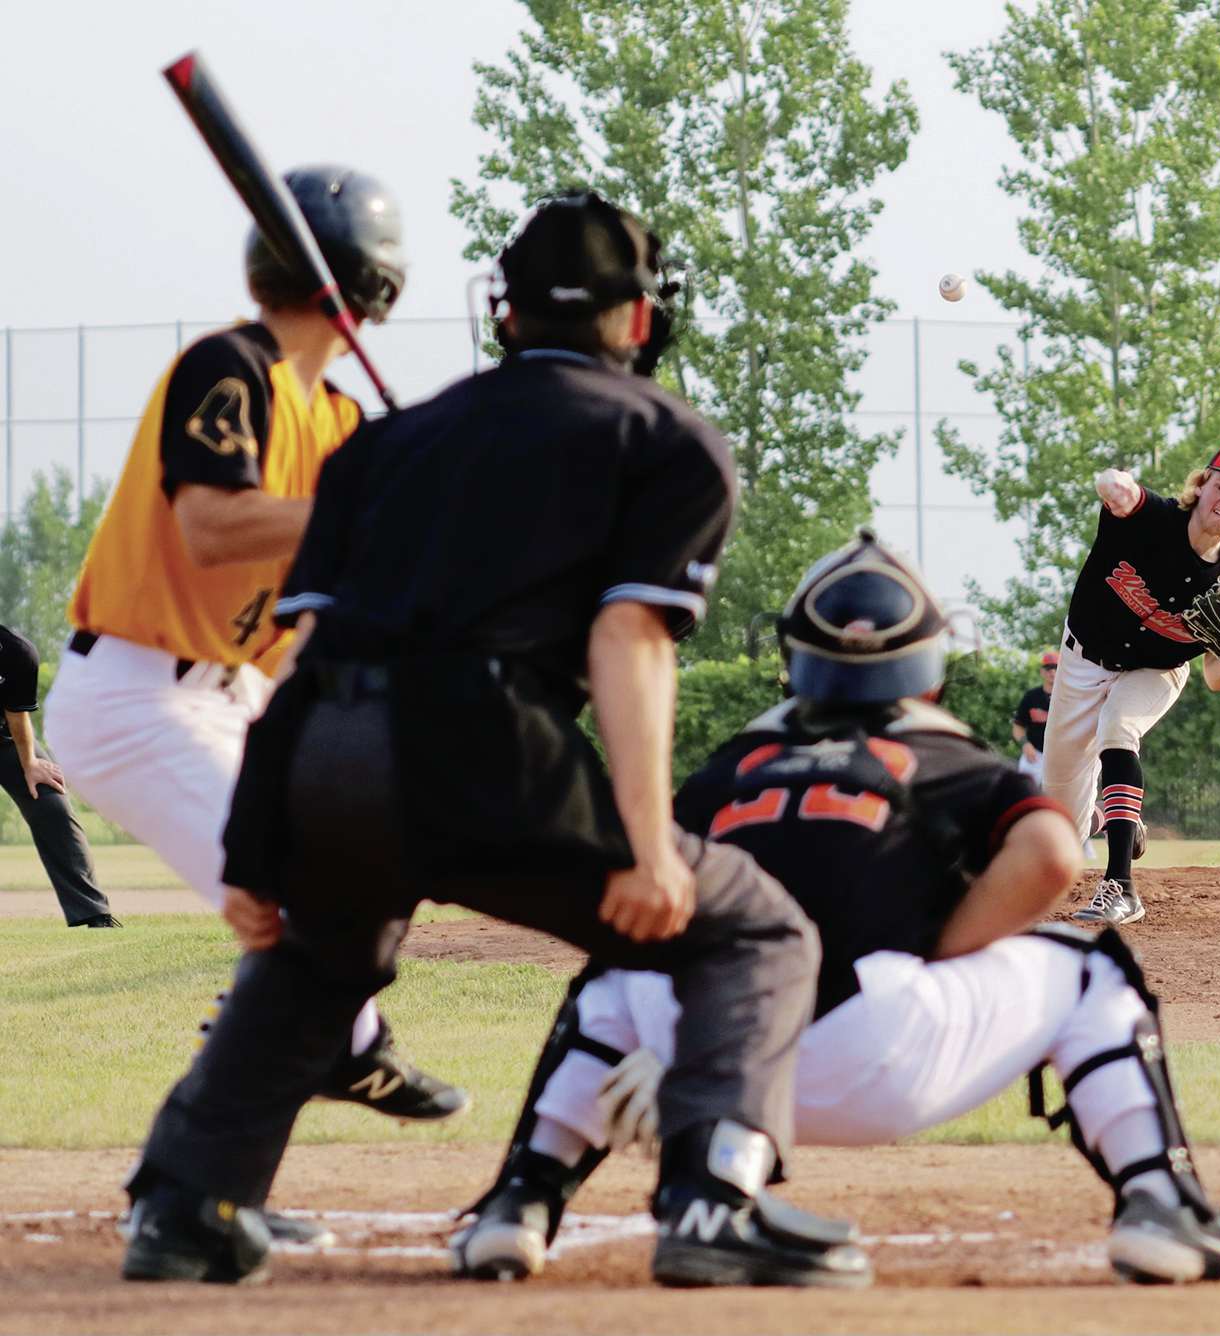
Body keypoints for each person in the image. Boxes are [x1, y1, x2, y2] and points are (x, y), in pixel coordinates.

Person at [116, 192, 864, 1291]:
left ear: (503, 315)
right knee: (751, 929)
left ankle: (184, 1206)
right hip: (477, 742)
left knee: (321, 948)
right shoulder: (666, 439)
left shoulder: (384, 445)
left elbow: (304, 645)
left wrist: (255, 848)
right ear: (640, 321)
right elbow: (628, 637)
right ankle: (713, 1200)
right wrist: (652, 845)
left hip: (320, 740)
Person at [451, 530, 1220, 1287]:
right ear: (926, 664)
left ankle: (518, 1203)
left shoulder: (736, 761)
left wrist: (665, 1019)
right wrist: (936, 948)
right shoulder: (932, 748)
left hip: (710, 1055)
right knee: (1094, 968)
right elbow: (1048, 856)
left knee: (612, 980)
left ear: (796, 658)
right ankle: (1160, 1202)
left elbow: (647, 883)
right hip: (878, 1054)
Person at [44, 167, 462, 1161]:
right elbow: (210, 526)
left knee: (350, 871)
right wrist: (369, 510)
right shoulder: (228, 365)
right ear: (381, 286)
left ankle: (325, 1058)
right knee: (290, 909)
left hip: (236, 693)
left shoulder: (345, 425)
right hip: (133, 698)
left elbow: (317, 607)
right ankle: (307, 1079)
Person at [1042, 446, 1220, 928]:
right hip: (1084, 659)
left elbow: (1215, 678)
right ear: (1201, 485)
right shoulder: (1152, 519)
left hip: (1157, 670)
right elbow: (1117, 491)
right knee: (1066, 824)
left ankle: (1120, 886)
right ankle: (1116, 819)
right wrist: (1115, 484)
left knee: (1118, 728)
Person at [0, 624, 117, 927]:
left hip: (6, 740)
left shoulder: (15, 651)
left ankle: (94, 914)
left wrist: (30, 763)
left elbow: (17, 714)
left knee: (52, 804)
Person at [1009, 649, 1057, 785]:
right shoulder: (1032, 696)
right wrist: (1025, 744)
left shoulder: (1070, 698)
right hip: (1035, 754)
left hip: (1061, 755)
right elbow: (1018, 726)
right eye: (1048, 668)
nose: (1052, 672)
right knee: (1023, 789)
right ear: (1042, 671)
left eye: (1055, 667)